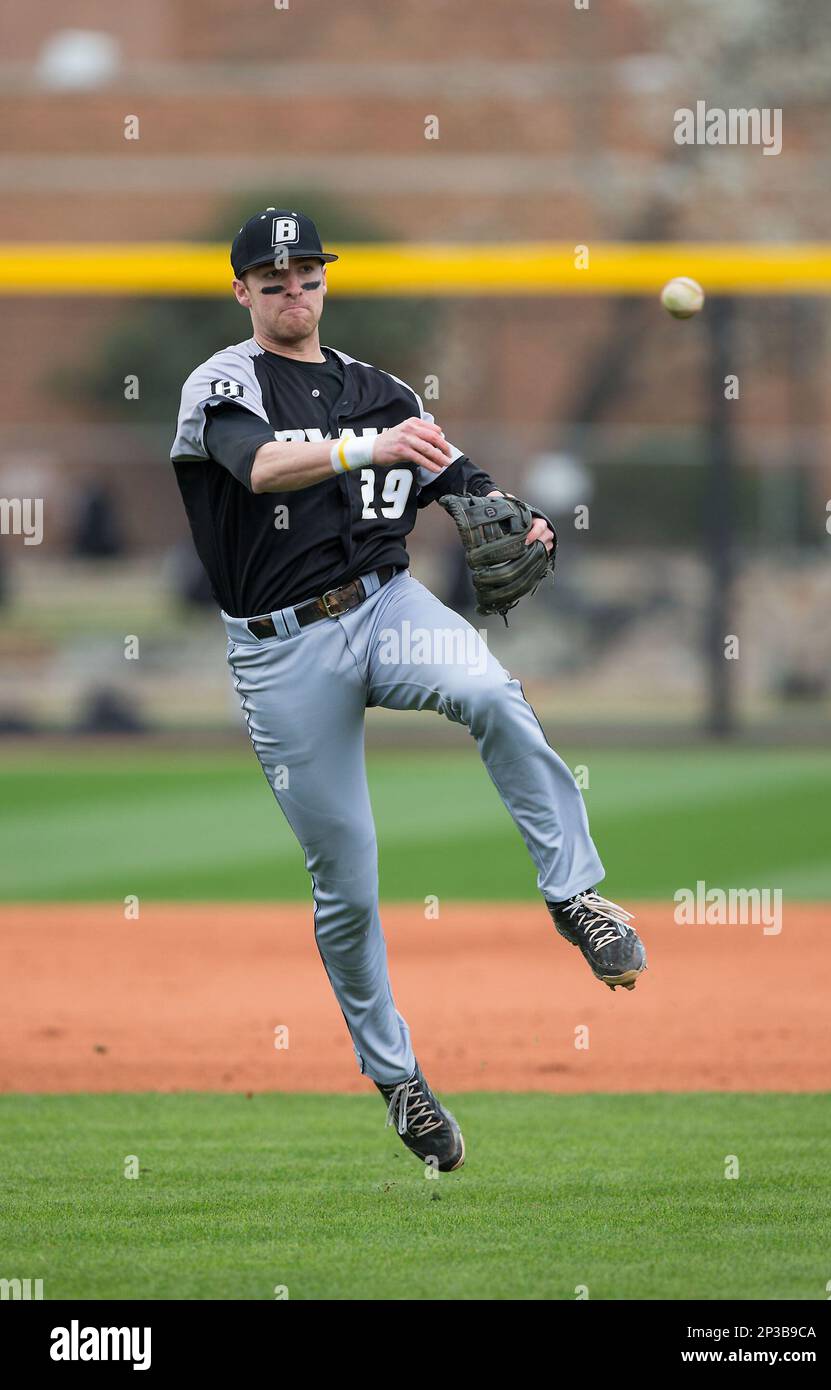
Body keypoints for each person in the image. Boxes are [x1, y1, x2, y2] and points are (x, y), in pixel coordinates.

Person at [170, 208, 647, 1174]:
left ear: (324, 284)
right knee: (345, 883)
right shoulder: (224, 383)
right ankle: (399, 1082)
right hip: (281, 650)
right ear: (243, 293)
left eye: (306, 274)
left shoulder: (378, 390)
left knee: (492, 692)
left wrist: (524, 519)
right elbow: (258, 467)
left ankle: (578, 898)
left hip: (388, 607)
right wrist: (366, 452)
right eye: (272, 278)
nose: (292, 289)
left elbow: (463, 485)